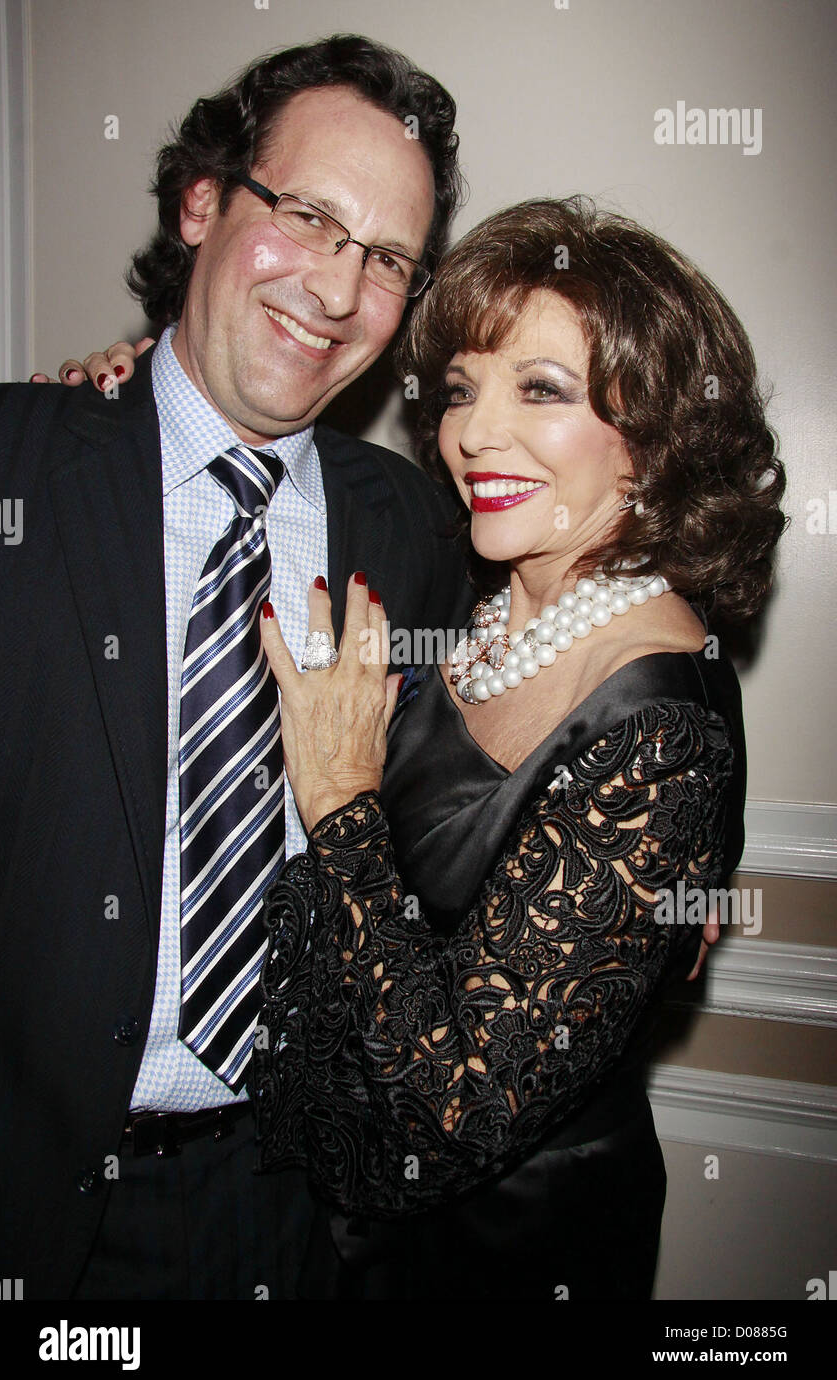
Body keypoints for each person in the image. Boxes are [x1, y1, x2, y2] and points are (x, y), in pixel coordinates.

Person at [0, 34, 472, 1300]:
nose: (334, 285)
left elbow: (583, 609)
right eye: (307, 215)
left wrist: (672, 851)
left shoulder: (418, 530)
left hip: (298, 1204)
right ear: (202, 201)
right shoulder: (11, 466)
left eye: (383, 259)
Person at [245, 197, 786, 1299]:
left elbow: (452, 1102)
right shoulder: (486, 597)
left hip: (500, 1252)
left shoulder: (659, 725)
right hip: (340, 1226)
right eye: (458, 389)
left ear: (655, 433)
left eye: (539, 390)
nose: (471, 434)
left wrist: (342, 791)